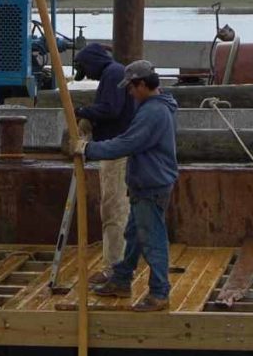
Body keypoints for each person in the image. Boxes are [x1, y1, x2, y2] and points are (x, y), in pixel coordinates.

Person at [73, 60, 179, 312]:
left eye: (131, 88)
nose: (129, 93)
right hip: (149, 182)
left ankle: (159, 293)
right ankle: (121, 280)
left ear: (142, 85)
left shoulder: (152, 112)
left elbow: (127, 143)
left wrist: (88, 149)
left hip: (150, 185)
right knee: (134, 236)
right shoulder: (156, 107)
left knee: (152, 239)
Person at [72, 43, 136, 285]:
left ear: (93, 63)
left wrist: (83, 111)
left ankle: (115, 269)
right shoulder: (114, 73)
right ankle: (120, 265)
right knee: (117, 210)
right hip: (114, 151)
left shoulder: (112, 74)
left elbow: (110, 109)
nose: (87, 76)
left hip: (116, 154)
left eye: (86, 70)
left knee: (114, 210)